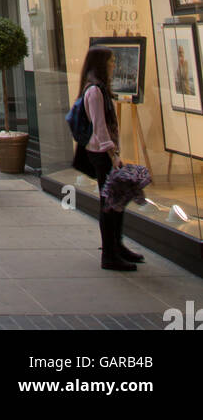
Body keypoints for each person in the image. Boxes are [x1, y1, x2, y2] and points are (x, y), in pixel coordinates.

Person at [73, 46, 143, 271]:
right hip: (101, 154)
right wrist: (113, 155)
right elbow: (100, 128)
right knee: (109, 203)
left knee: (116, 201)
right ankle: (110, 253)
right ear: (101, 63)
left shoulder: (100, 88)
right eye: (111, 61)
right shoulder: (94, 91)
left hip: (105, 152)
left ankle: (117, 246)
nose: (114, 65)